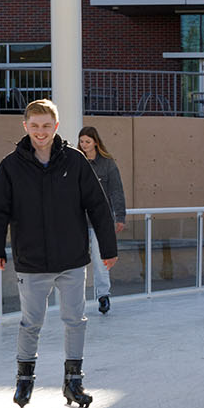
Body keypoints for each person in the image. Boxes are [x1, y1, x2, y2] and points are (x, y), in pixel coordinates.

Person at [0, 100, 118, 408]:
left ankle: (73, 381)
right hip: (32, 262)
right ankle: (25, 379)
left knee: (75, 321)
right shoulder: (11, 166)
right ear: (26, 127)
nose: (41, 132)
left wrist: (108, 248)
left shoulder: (74, 161)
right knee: (31, 323)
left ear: (55, 127)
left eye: (47, 126)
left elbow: (98, 205)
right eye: (35, 126)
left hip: (71, 260)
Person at [75, 125, 126, 314]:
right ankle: (75, 299)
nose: (84, 145)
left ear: (95, 142)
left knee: (101, 259)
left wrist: (120, 216)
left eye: (87, 141)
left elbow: (116, 191)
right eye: (81, 141)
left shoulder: (107, 164)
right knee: (76, 261)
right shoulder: (75, 162)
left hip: (100, 221)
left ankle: (103, 296)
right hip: (78, 220)